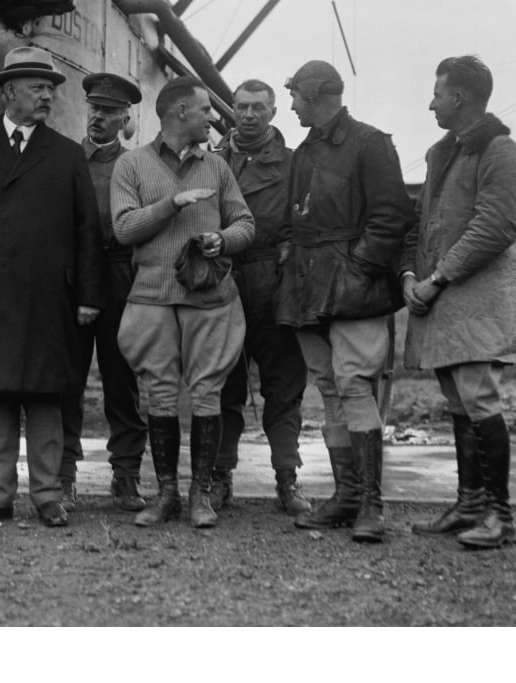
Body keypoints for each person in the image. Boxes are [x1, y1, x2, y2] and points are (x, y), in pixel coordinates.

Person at [0, 45, 103, 528]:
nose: (48, 96)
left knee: (46, 396)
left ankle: (48, 495)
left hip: (48, 298)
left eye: (50, 89)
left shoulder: (68, 155)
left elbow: (86, 231)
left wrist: (89, 296)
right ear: (8, 92)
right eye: (38, 88)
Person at [276, 60, 414, 543]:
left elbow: (393, 216)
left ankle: (371, 506)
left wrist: (356, 270)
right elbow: (295, 221)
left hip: (354, 288)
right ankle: (346, 497)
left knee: (355, 386)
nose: (290, 105)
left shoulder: (371, 143)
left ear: (314, 95)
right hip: (306, 287)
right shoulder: (303, 153)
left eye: (294, 95)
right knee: (329, 388)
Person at [111, 76, 255, 529]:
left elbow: (246, 224)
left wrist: (222, 239)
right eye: (205, 111)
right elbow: (125, 229)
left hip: (211, 300)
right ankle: (167, 493)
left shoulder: (218, 167)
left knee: (207, 390)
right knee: (159, 392)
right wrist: (172, 203)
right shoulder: (131, 165)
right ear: (180, 113)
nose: (213, 118)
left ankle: (201, 495)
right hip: (152, 298)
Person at [403, 56, 516, 549]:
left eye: (436, 93)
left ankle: (501, 517)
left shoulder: (501, 152)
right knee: (459, 402)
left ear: (458, 98)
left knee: (479, 400)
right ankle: (470, 503)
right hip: (443, 303)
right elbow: (421, 223)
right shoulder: (443, 154)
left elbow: (496, 227)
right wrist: (411, 275)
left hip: (477, 304)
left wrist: (437, 277)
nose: (431, 101)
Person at [212, 79, 310, 516]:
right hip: (222, 283)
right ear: (232, 110)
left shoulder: (293, 165)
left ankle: (287, 479)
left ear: (273, 113)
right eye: (242, 107)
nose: (249, 115)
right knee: (220, 387)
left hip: (275, 285)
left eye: (258, 108)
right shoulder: (210, 162)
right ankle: (219, 478)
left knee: (284, 387)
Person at [58, 74, 148, 513]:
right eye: (94, 109)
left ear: (125, 119)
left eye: (110, 112)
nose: (99, 118)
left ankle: (126, 477)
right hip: (73, 280)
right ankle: (63, 477)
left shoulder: (138, 166)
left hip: (120, 276)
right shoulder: (63, 159)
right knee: (65, 381)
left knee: (122, 380)